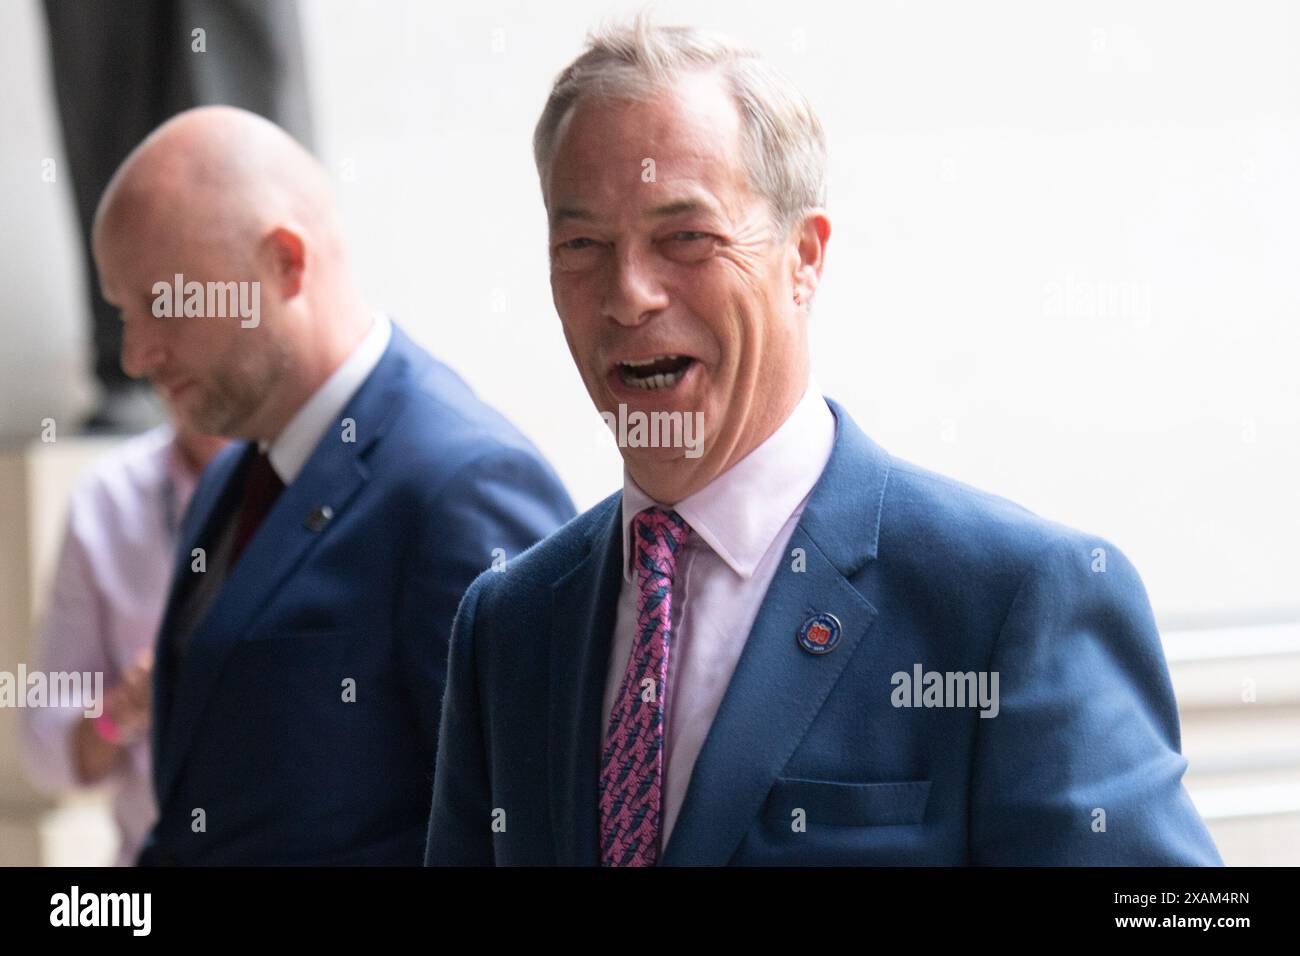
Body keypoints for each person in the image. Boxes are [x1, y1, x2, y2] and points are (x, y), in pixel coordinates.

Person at [425, 19, 1221, 866]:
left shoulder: (1009, 603)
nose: (629, 295)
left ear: (804, 257)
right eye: (583, 245)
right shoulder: (510, 625)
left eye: (685, 237)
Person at [92, 106, 575, 865]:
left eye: (163, 304)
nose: (135, 354)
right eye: (122, 313)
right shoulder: (231, 475)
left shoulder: (462, 483)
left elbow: (533, 828)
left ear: (286, 262)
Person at [19, 401, 226, 865]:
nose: (142, 357)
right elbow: (44, 750)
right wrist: (123, 710)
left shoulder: (323, 473)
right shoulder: (109, 494)